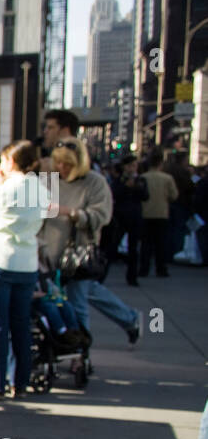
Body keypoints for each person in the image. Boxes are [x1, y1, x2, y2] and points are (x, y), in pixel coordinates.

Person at [40, 140, 142, 347]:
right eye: (58, 163)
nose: (62, 168)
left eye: (67, 164)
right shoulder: (46, 180)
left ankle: (80, 350)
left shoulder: (95, 182)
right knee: (69, 297)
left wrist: (73, 213)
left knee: (78, 302)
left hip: (78, 253)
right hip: (48, 252)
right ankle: (129, 319)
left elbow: (102, 215)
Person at [0, 141, 49, 399]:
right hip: (27, 262)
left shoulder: (5, 187)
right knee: (21, 325)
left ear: (11, 161)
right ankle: (20, 382)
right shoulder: (41, 187)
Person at [139, 148, 179, 279]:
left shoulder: (143, 177)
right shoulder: (167, 178)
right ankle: (161, 268)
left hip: (146, 213)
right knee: (161, 243)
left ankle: (144, 268)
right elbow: (174, 195)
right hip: (162, 213)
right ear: (161, 162)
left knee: (146, 243)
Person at [108, 155, 147, 286]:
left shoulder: (140, 180)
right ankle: (102, 273)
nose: (132, 169)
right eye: (130, 166)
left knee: (133, 248)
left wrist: (136, 187)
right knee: (112, 245)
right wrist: (126, 187)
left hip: (135, 217)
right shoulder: (118, 180)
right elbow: (114, 193)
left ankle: (132, 276)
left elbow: (145, 196)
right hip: (120, 217)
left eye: (134, 166)